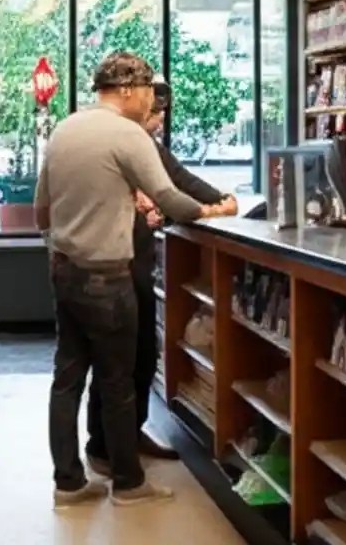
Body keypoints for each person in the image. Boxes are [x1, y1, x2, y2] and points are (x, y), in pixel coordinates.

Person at [35, 52, 235, 509]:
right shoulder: (128, 134)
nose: (152, 101)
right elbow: (172, 199)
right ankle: (127, 483)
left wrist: (63, 245)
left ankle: (68, 483)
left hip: (64, 272)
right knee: (118, 382)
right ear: (127, 89)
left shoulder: (64, 129)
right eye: (148, 90)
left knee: (66, 379)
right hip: (108, 277)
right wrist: (213, 210)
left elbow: (40, 212)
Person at [84, 75, 233, 475]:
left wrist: (219, 199)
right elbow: (175, 190)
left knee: (130, 358)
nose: (161, 121)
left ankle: (122, 438)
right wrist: (213, 208)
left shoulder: (129, 141)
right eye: (157, 112)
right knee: (125, 359)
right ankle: (108, 447)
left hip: (122, 260)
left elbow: (179, 179)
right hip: (121, 262)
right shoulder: (131, 142)